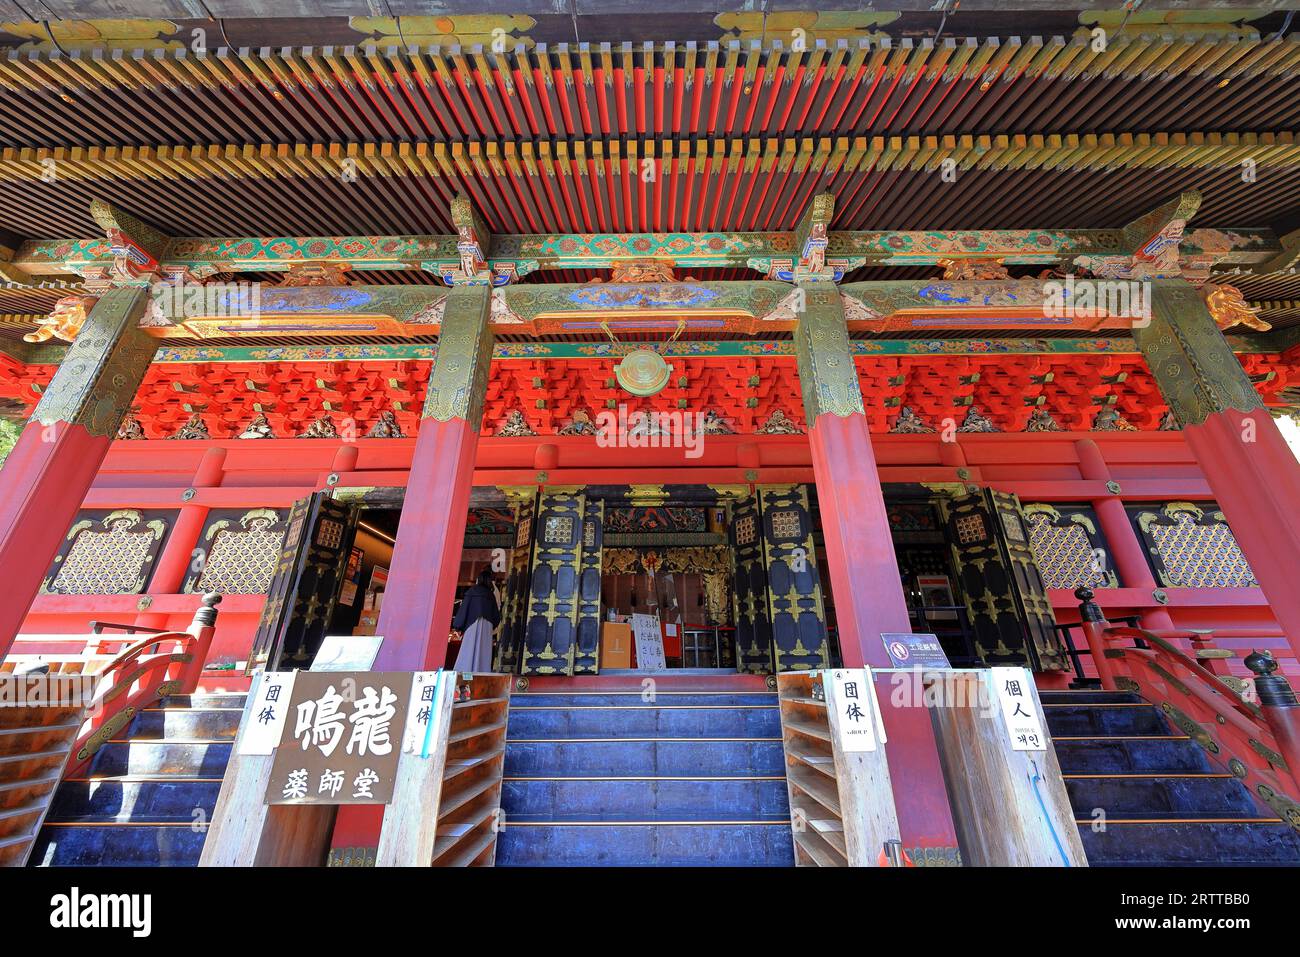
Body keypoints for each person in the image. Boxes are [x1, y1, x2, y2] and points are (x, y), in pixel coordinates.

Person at [451, 568, 501, 673]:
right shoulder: (490, 595)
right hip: (487, 627)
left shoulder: (472, 592)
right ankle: (482, 672)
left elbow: (464, 609)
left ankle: (464, 671)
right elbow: (496, 616)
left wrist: (458, 625)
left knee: (469, 649)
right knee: (483, 651)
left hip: (472, 625)